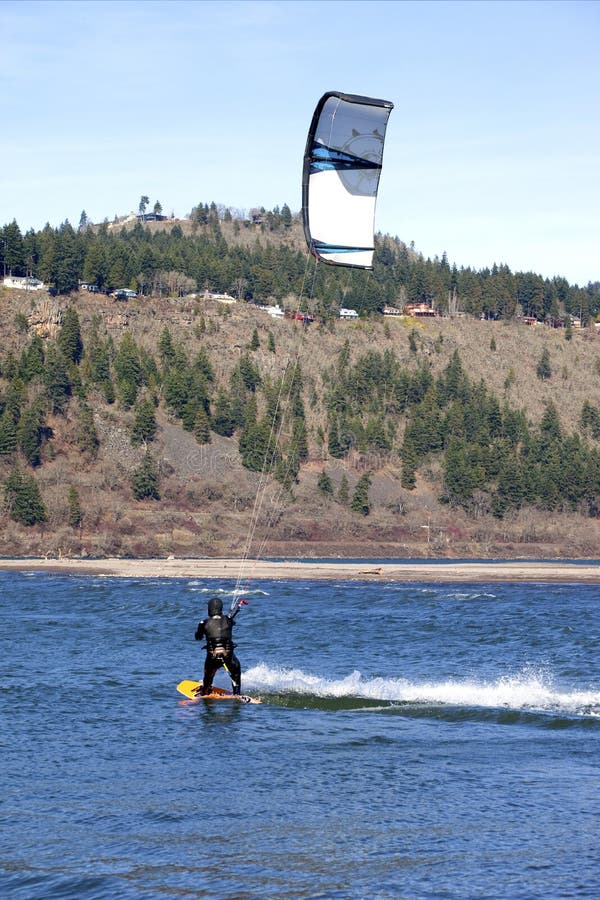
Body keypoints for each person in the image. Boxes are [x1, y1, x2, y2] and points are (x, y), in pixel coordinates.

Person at [195, 596, 242, 695]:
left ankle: (205, 690)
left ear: (209, 609)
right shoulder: (228, 620)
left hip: (212, 658)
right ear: (220, 609)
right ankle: (237, 693)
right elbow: (230, 619)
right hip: (228, 657)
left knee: (208, 675)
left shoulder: (203, 623)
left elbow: (198, 637)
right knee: (236, 671)